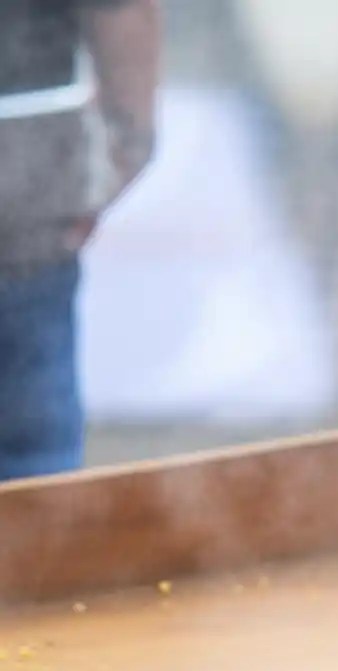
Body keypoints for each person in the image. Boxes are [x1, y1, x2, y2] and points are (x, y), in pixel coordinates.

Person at [0, 0, 159, 480]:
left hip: (24, 227)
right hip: (27, 216)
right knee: (36, 487)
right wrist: (127, 143)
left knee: (36, 477)